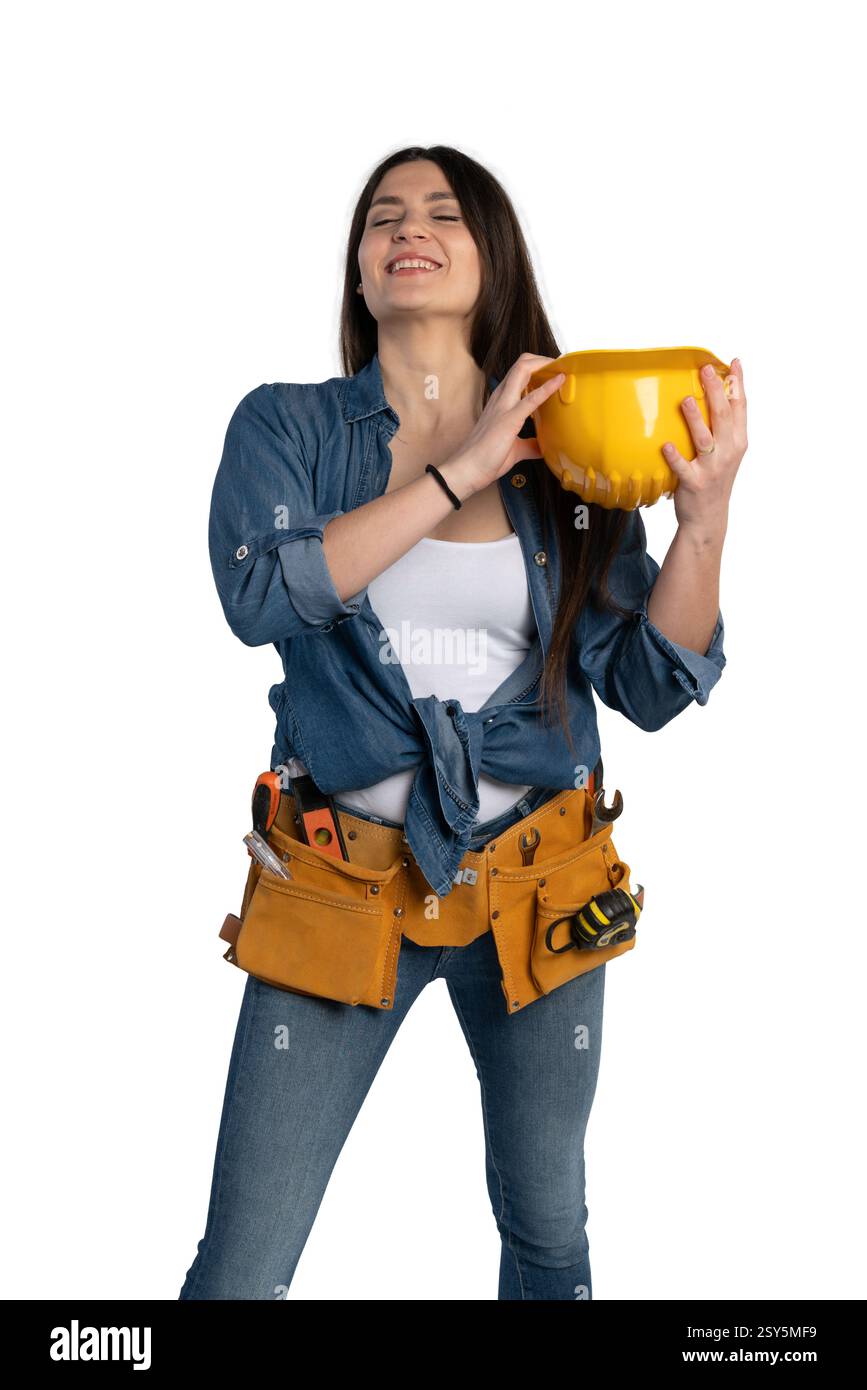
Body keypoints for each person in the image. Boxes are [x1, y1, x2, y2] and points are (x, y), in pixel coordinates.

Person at [179, 145, 746, 1301]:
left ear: (491, 262)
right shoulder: (285, 430)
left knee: (549, 1235)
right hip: (342, 893)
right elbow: (264, 594)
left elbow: (648, 682)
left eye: (442, 211)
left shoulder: (571, 459)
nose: (407, 227)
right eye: (382, 215)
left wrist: (704, 518)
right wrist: (459, 468)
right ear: (361, 269)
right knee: (241, 1271)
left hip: (545, 888)